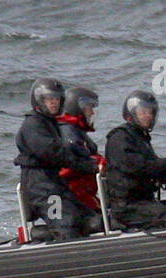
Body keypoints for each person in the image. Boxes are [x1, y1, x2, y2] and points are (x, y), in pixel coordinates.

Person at [14, 77, 103, 240]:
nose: (53, 103)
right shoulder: (33, 124)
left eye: (56, 99)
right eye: (49, 99)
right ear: (39, 100)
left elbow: (63, 152)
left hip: (54, 183)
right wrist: (88, 166)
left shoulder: (50, 123)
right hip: (40, 186)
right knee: (66, 225)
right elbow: (53, 153)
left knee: (90, 219)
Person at [104, 90, 166, 230]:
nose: (148, 116)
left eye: (150, 112)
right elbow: (138, 167)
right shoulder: (119, 138)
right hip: (127, 205)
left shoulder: (140, 138)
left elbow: (155, 172)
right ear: (132, 113)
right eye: (143, 112)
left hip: (143, 201)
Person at [57, 86, 105, 216]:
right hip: (75, 197)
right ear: (79, 107)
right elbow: (74, 162)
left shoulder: (74, 130)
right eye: (89, 108)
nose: (92, 113)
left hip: (82, 194)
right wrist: (99, 163)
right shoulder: (69, 132)